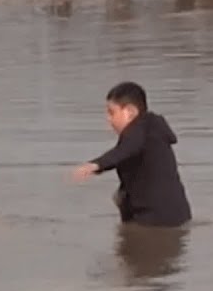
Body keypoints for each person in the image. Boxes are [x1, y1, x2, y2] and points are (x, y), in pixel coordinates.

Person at [71, 81, 192, 228]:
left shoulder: (139, 130)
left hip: (155, 220)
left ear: (130, 112)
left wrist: (96, 165)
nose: (108, 119)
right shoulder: (152, 129)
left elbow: (126, 150)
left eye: (112, 112)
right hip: (177, 215)